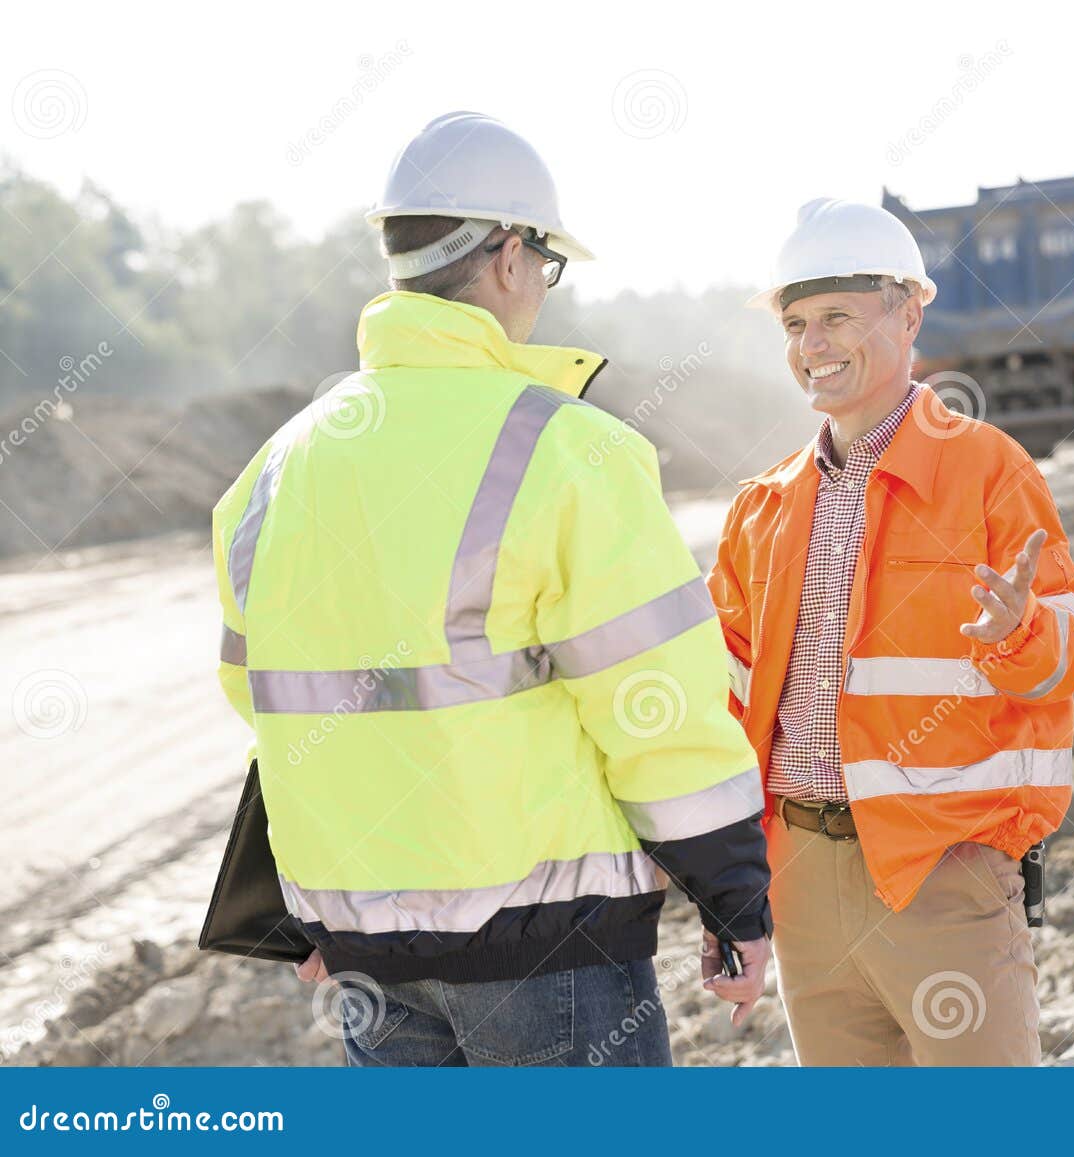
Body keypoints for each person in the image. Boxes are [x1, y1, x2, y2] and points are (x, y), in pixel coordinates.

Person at [211, 112, 770, 1066]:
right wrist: (735, 896)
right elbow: (655, 703)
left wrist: (309, 900)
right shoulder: (564, 448)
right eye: (547, 265)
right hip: (546, 943)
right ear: (510, 256)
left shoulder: (278, 466)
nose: (543, 292)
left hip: (361, 955)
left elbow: (263, 699)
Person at [708, 198, 1074, 1065]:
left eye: (839, 318)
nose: (813, 344)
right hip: (803, 881)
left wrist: (1021, 627)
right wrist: (730, 889)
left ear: (909, 313)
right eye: (797, 323)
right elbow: (726, 701)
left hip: (942, 873)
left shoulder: (988, 470)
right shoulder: (763, 507)